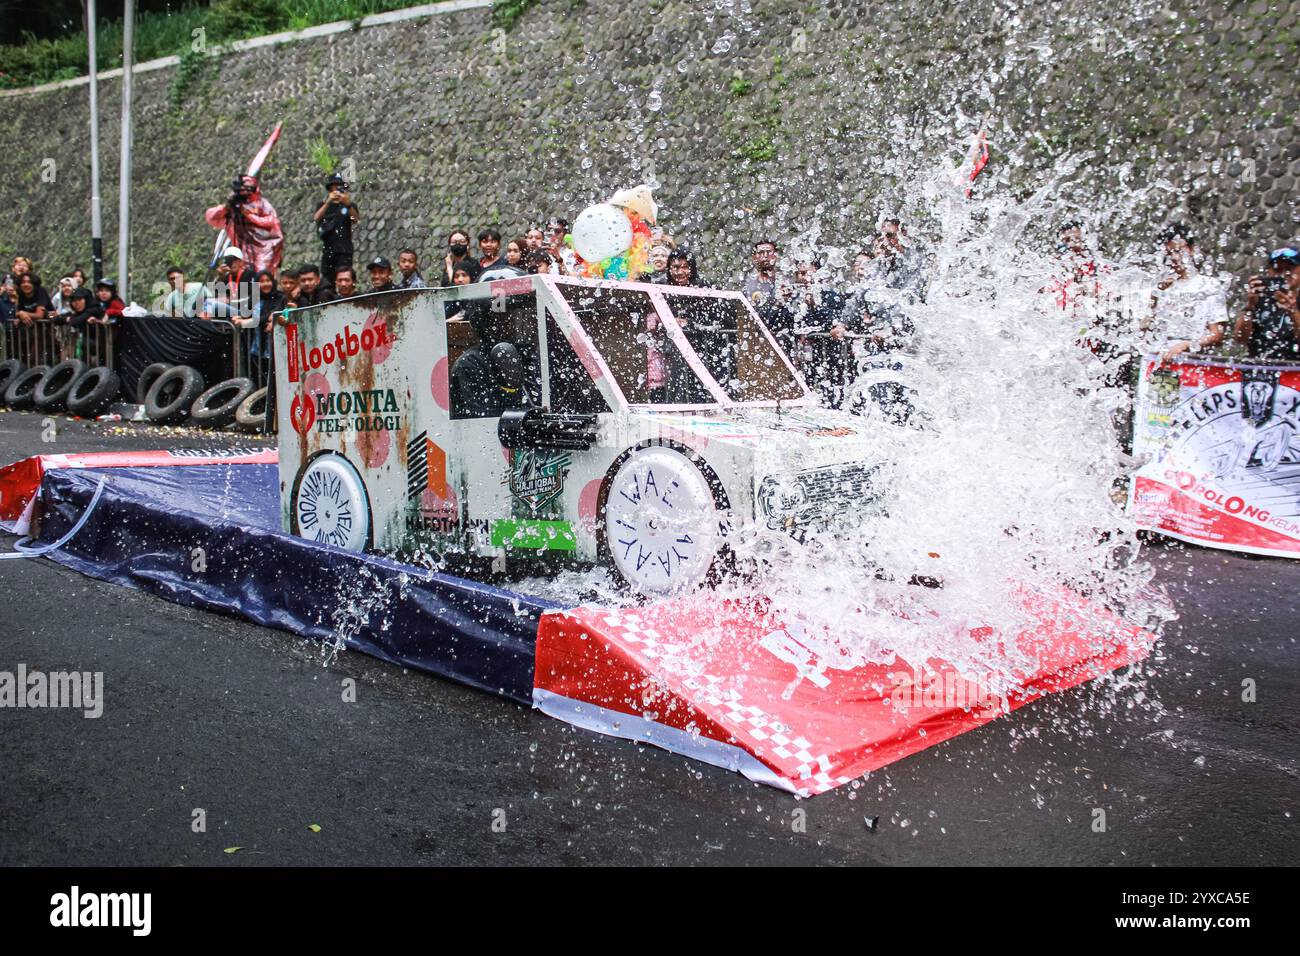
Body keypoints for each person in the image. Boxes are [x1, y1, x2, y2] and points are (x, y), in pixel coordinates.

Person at [1145, 225, 1227, 363]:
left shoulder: (1209, 285)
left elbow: (1217, 335)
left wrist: (1186, 345)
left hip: (1195, 362)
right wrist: (1154, 295)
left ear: (1192, 249)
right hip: (1158, 359)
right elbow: (1144, 329)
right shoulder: (1158, 286)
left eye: (1179, 251)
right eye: (1169, 253)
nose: (1175, 257)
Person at [205, 174, 284, 274]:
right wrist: (226, 207)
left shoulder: (262, 204)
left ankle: (258, 289)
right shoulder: (234, 205)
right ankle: (241, 289)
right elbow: (211, 217)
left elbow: (272, 222)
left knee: (261, 275)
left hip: (264, 247)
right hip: (242, 248)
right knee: (241, 277)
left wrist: (249, 216)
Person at [1234, 247, 1300, 361]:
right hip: (1260, 369)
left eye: (1290, 268)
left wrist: (1293, 311)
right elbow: (1240, 339)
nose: (1285, 274)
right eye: (1278, 269)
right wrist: (1250, 307)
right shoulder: (1261, 298)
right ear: (1269, 272)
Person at [313, 173, 358, 283]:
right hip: (328, 249)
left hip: (344, 249)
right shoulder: (323, 204)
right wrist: (329, 201)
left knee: (344, 277)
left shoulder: (349, 205)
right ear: (330, 188)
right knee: (327, 280)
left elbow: (354, 219)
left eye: (340, 185)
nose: (338, 188)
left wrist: (348, 204)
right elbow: (317, 218)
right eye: (335, 185)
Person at [742, 239, 779, 307]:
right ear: (754, 257)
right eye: (761, 252)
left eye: (769, 252)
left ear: (776, 256)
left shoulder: (783, 282)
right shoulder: (747, 283)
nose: (765, 256)